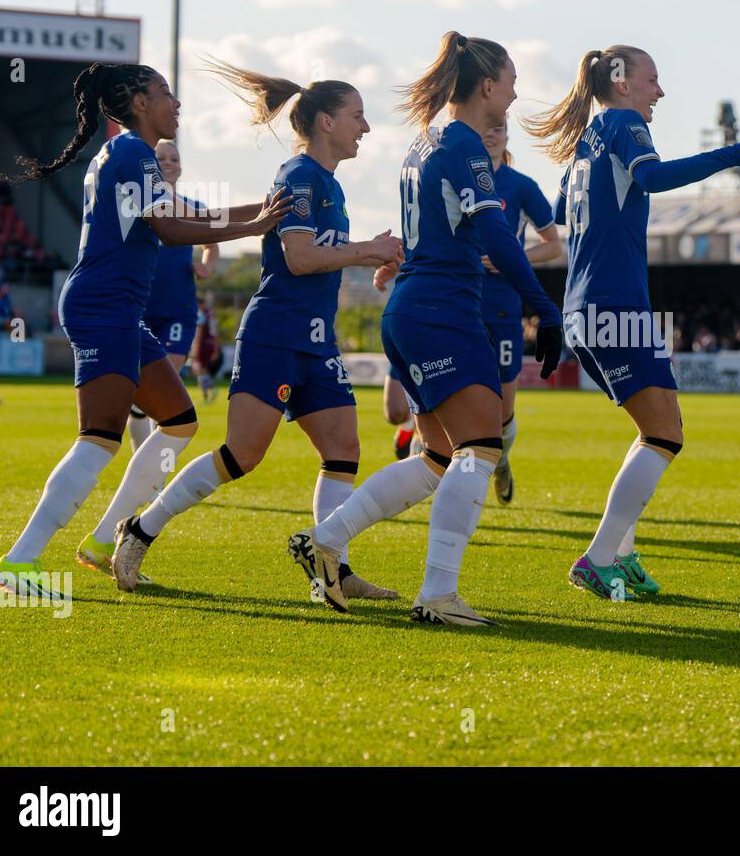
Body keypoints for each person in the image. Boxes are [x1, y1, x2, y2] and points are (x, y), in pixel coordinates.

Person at [293, 31, 563, 626]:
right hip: (441, 311)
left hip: (415, 309)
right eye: (513, 80)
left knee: (439, 456)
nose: (516, 92)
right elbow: (496, 236)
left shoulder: (423, 144)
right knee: (483, 447)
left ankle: (325, 540)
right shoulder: (464, 146)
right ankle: (437, 593)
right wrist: (544, 307)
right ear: (488, 85)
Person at [0, 61, 288, 599]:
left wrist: (265, 210)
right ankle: (19, 560)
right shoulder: (131, 152)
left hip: (118, 309)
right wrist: (257, 225)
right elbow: (174, 231)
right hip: (103, 306)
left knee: (178, 422)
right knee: (98, 441)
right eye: (166, 93)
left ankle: (104, 541)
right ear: (139, 104)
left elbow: (186, 214)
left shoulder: (132, 155)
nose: (177, 104)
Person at [110, 61, 404, 600]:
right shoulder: (297, 176)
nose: (366, 128)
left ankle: (331, 568)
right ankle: (141, 527)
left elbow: (320, 254)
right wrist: (367, 251)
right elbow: (298, 258)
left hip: (317, 340)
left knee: (344, 448)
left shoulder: (329, 185)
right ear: (326, 124)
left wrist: (377, 256)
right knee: (242, 455)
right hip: (274, 334)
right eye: (357, 116)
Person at [524, 45, 740, 599]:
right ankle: (598, 559)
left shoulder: (582, 147)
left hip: (585, 308)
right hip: (614, 305)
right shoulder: (622, 123)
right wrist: (736, 152)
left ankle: (620, 555)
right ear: (620, 81)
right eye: (653, 80)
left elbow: (559, 223)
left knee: (657, 431)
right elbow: (656, 179)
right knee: (665, 434)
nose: (660, 92)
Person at [478, 121, 562, 503]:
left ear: (507, 136)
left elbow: (553, 245)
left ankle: (502, 460)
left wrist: (513, 259)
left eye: (498, 128)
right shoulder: (454, 178)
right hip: (457, 302)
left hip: (503, 308)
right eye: (484, 127)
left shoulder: (521, 186)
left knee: (502, 410)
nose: (490, 134)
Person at [127, 139, 220, 448]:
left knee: (166, 384)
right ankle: (145, 466)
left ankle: (154, 474)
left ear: (180, 166)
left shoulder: (193, 209)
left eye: (174, 158)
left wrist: (208, 265)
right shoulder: (136, 205)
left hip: (178, 310)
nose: (168, 162)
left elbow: (212, 244)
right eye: (161, 157)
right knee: (141, 395)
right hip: (140, 309)